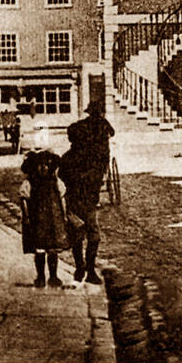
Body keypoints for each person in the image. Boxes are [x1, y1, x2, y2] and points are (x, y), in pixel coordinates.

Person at [59, 95, 115, 284]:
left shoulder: (70, 156)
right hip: (85, 199)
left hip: (78, 199)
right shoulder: (86, 153)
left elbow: (62, 175)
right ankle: (86, 269)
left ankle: (82, 268)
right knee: (91, 234)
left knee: (81, 234)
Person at [20, 148, 69, 287]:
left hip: (53, 219)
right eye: (40, 165)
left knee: (53, 249)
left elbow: (62, 199)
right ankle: (41, 277)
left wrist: (64, 216)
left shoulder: (55, 182)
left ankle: (53, 276)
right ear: (35, 167)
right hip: (37, 220)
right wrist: (26, 216)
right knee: (39, 248)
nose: (43, 168)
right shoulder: (29, 182)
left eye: (46, 165)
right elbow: (24, 199)